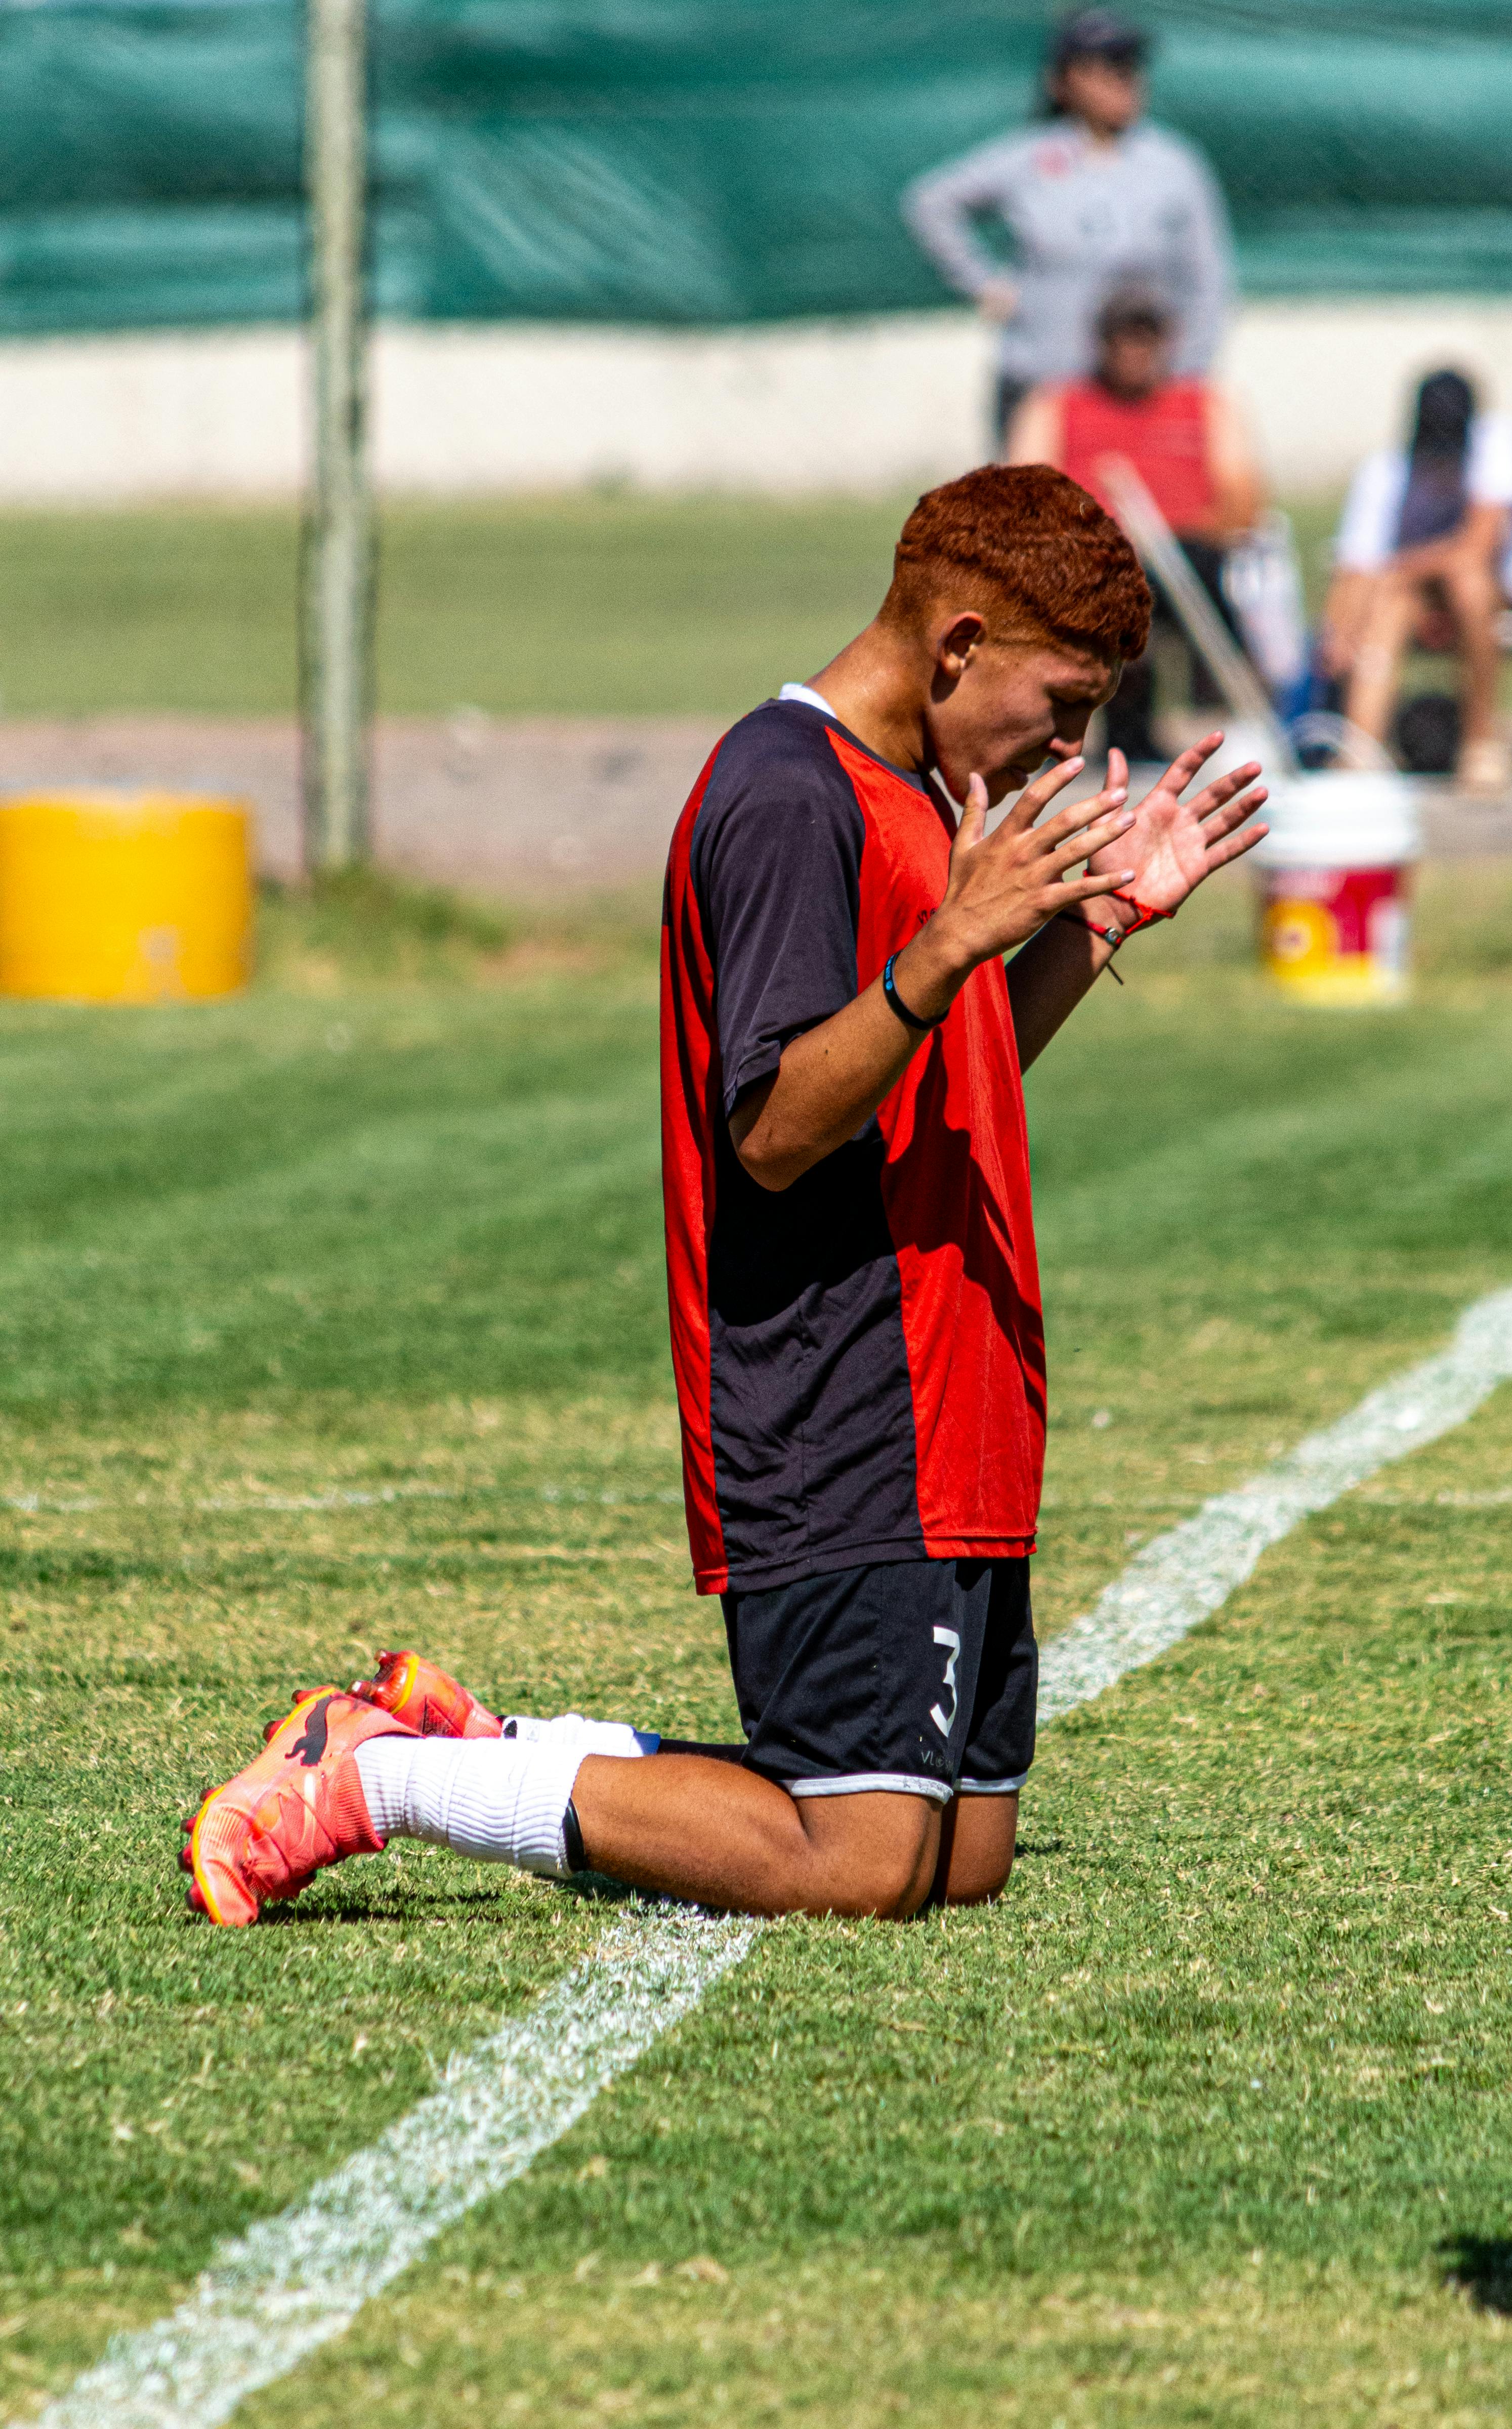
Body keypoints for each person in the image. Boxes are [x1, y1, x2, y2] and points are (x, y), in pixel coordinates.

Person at [180, 464, 1268, 1931]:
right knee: (863, 1862)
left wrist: (1084, 932)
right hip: (844, 1390)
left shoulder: (918, 792)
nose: (1069, 743)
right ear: (957, 645)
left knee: (961, 1856)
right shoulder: (783, 790)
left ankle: (478, 1747)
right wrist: (949, 945)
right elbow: (769, 1126)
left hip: (960, 1396)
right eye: (1061, 699)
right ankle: (382, 1780)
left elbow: (950, 1074)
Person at [903, 9, 1235, 445]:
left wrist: (1188, 370)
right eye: (1106, 68)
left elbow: (1207, 277)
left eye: (1131, 67)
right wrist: (985, 283)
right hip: (1044, 381)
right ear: (1064, 82)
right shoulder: (1031, 158)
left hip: (1136, 392)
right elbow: (932, 202)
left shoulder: (1172, 165)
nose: (1124, 80)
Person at [1008, 288, 1264, 761]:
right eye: (1123, 338)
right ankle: (1092, 731)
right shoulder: (1059, 405)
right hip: (1085, 562)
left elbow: (1243, 502)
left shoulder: (1203, 405)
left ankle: (1232, 718)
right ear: (1101, 342)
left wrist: (1173, 537)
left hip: (1187, 558)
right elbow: (1022, 500)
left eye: (1146, 339)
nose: (1134, 351)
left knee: (1192, 579)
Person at [1320, 368, 1512, 792]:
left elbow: (1479, 546)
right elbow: (1356, 564)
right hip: (1414, 596)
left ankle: (1481, 742)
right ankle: (1360, 750)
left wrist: (1392, 572)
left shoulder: (1498, 445)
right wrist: (1339, 630)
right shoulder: (1386, 470)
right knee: (1388, 605)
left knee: (1465, 582)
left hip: (1498, 592)